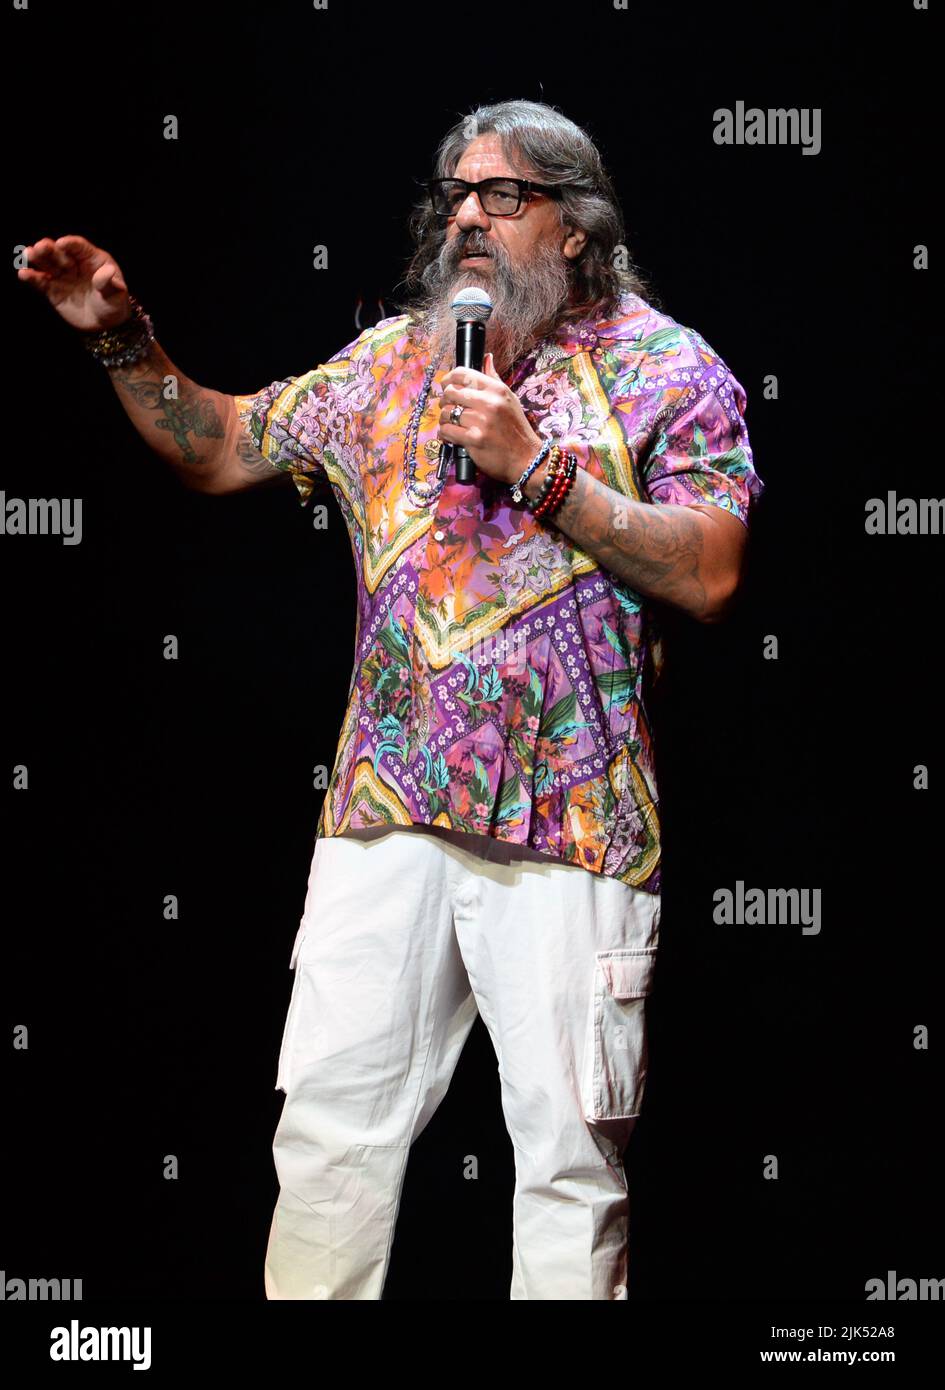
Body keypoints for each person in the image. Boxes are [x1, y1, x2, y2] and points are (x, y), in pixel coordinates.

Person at [17, 98, 765, 1300]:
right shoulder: (393, 364)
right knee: (327, 1145)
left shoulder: (666, 368)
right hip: (385, 816)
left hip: (571, 831)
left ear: (576, 228)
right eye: (455, 195)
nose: (467, 214)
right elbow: (221, 444)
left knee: (570, 1174)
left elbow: (717, 573)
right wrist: (123, 339)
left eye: (502, 195)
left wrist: (539, 467)